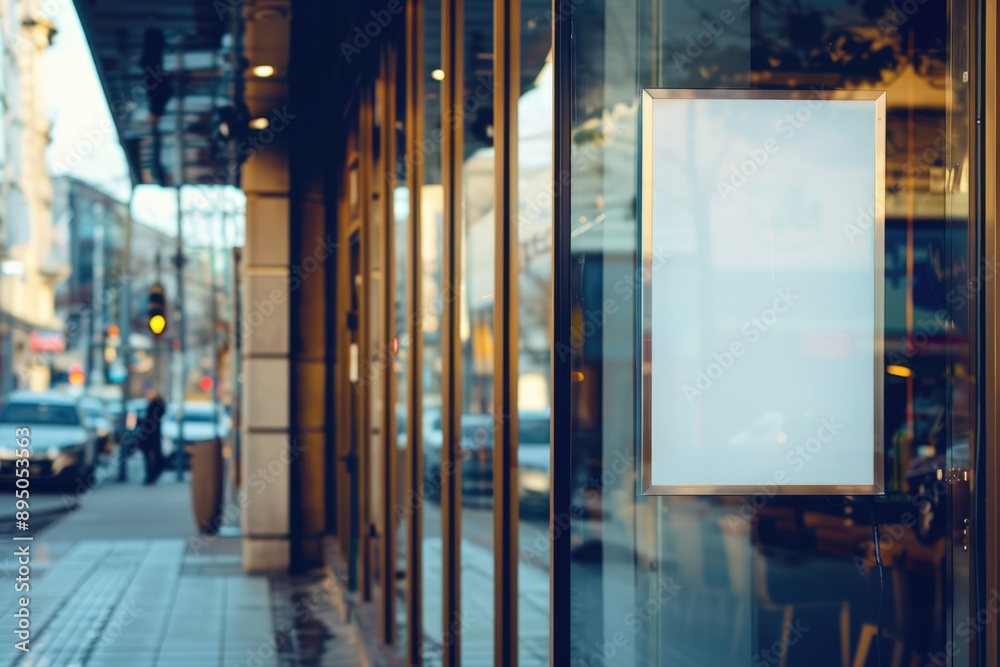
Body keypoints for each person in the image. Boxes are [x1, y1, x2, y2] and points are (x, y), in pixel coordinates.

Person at [140, 391, 167, 484]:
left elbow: (149, 419)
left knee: (150, 456)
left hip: (149, 434)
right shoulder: (159, 405)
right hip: (153, 434)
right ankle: (152, 475)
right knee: (154, 455)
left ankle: (151, 476)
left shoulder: (155, 405)